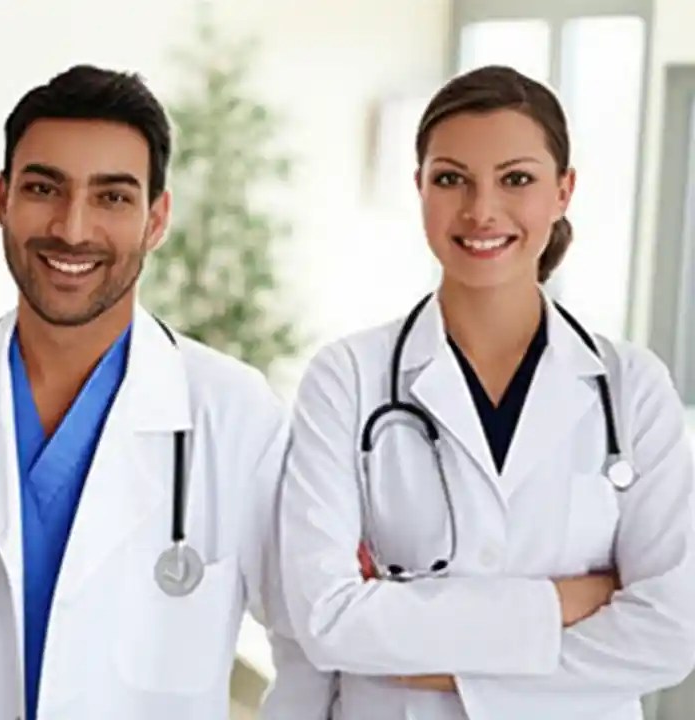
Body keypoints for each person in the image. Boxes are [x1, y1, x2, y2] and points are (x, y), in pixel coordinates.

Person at [0, 64, 336, 719]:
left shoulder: (233, 413)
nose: (71, 228)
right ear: (2, 199)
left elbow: (310, 639)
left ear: (156, 219)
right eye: (44, 189)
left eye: (112, 198)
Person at [278, 64, 695, 719]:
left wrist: (436, 662)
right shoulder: (348, 378)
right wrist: (563, 603)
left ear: (564, 191)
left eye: (516, 179)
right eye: (451, 179)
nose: (481, 210)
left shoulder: (633, 388)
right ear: (419, 187)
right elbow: (327, 620)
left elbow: (670, 632)